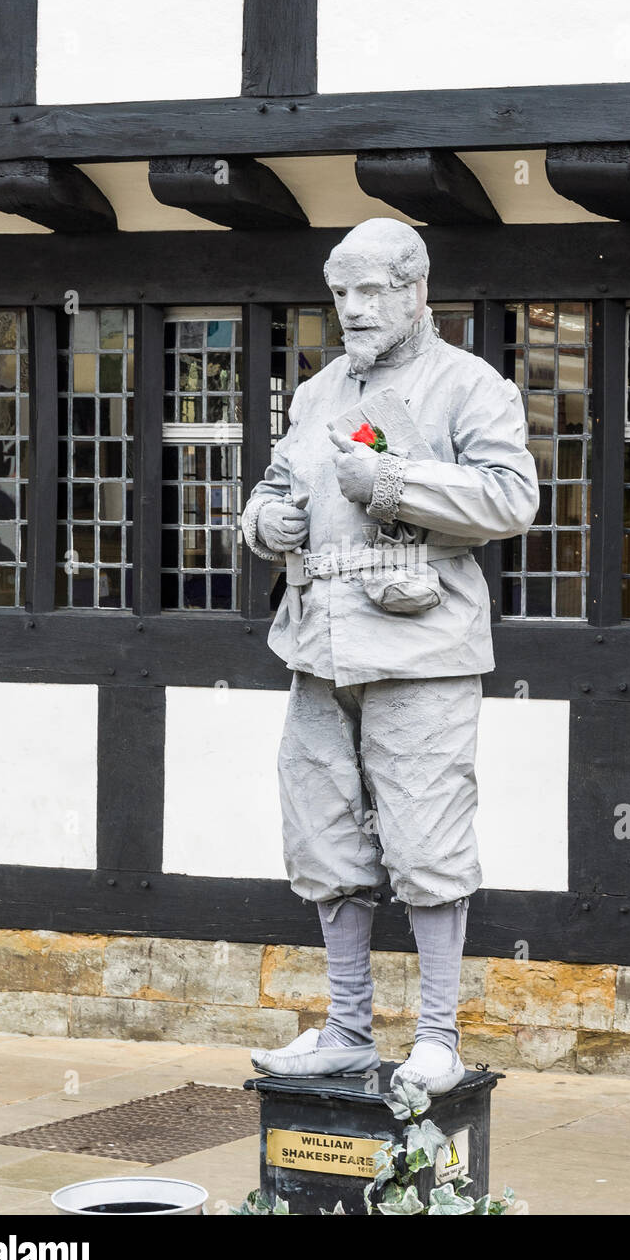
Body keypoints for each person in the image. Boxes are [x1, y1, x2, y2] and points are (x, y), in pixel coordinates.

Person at [240, 218, 539, 1094]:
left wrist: (399, 484)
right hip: (316, 646)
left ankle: (439, 1036)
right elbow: (275, 485)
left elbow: (512, 498)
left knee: (427, 840)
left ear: (417, 291)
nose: (354, 309)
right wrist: (264, 523)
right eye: (342, 292)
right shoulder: (318, 392)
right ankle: (344, 1029)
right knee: (323, 835)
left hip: (420, 647)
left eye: (373, 291)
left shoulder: (469, 385)